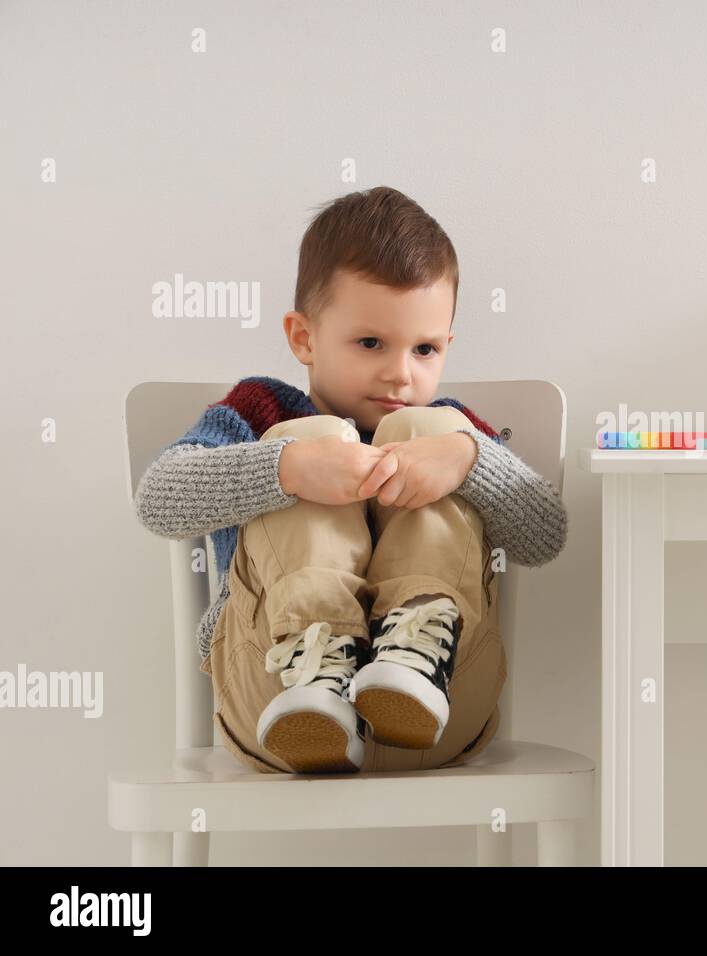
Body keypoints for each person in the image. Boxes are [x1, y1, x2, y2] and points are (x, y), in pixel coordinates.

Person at [133, 186, 567, 774]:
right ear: (303, 337)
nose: (400, 372)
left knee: (434, 428)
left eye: (425, 349)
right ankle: (317, 669)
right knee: (310, 437)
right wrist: (287, 468)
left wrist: (468, 459)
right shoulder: (258, 409)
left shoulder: (448, 427)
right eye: (370, 343)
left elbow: (545, 537)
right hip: (276, 701)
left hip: (442, 702)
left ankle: (412, 658)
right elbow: (158, 499)